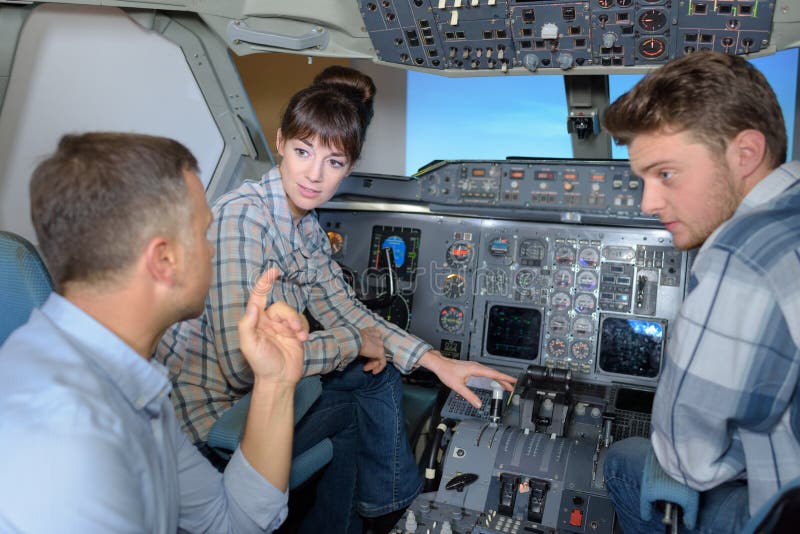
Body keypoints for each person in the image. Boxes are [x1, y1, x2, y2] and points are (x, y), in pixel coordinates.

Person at [156, 65, 516, 532]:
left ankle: (384, 507)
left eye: (334, 162)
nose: (314, 175)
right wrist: (351, 343)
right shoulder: (243, 219)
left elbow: (347, 310)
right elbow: (242, 364)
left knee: (376, 371)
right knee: (369, 385)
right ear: (280, 141)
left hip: (249, 397)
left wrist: (438, 363)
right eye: (304, 152)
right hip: (209, 426)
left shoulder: (304, 225)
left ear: (349, 166)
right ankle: (389, 511)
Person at [0, 132, 309, 533]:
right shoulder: (68, 437)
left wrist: (275, 382)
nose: (212, 249)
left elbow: (229, 522)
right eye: (203, 234)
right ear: (164, 260)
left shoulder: (130, 382)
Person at [601, 51, 800, 533]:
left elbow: (687, 461)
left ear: (746, 153)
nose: (649, 203)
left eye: (666, 174)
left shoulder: (743, 258)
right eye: (642, 180)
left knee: (628, 463)